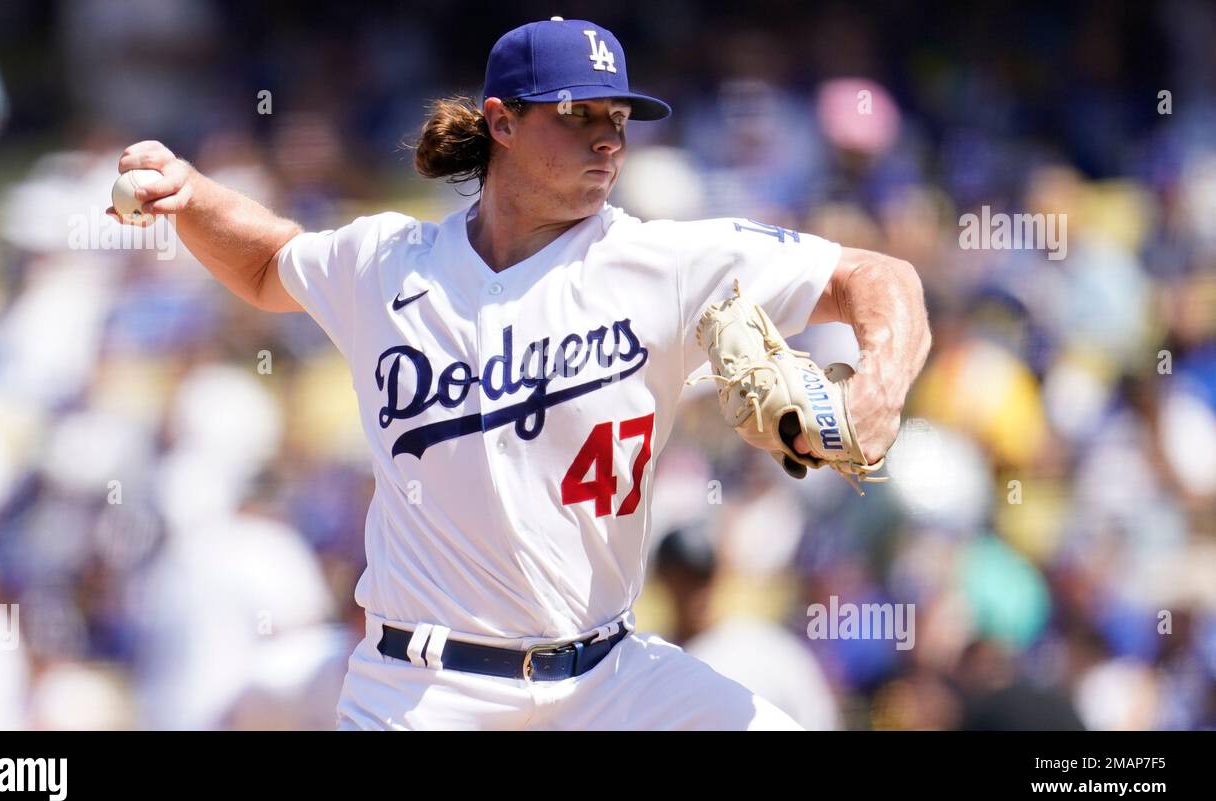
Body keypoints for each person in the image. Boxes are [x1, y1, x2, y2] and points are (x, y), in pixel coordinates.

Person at [106, 17, 931, 730]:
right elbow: (269, 264)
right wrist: (193, 192)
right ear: (500, 122)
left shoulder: (663, 261)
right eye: (578, 115)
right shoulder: (387, 263)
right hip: (422, 687)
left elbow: (878, 278)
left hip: (610, 681)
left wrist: (876, 392)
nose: (608, 136)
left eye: (619, 116)